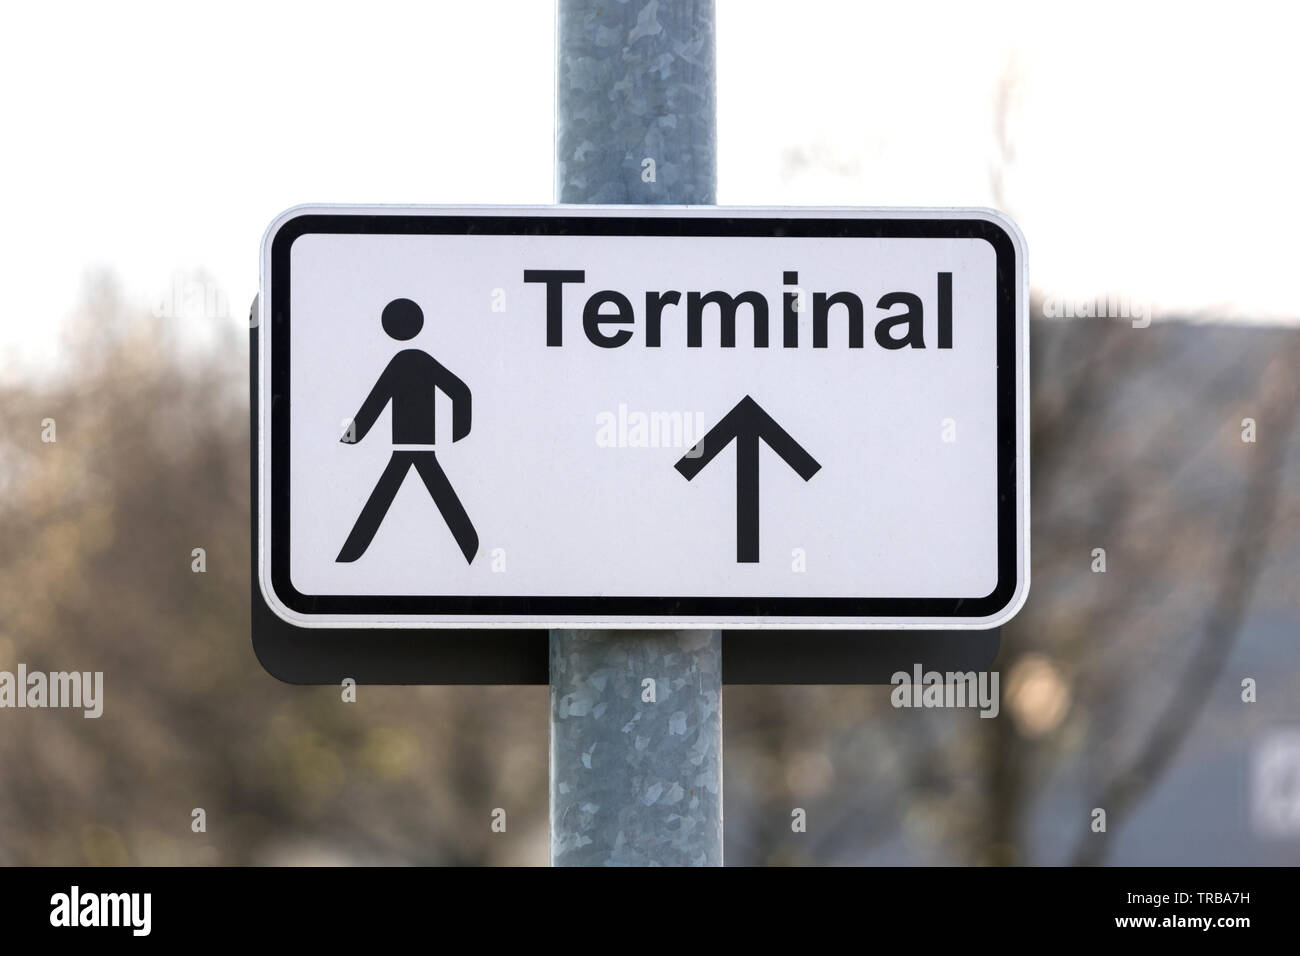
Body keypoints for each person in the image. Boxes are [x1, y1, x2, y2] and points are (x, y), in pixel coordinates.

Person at [336, 298, 478, 564]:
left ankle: (349, 554)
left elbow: (375, 401)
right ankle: (471, 548)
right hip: (415, 444)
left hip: (410, 444)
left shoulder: (405, 361)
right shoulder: (418, 361)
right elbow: (460, 392)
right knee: (417, 494)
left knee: (388, 496)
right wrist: (458, 431)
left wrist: (352, 436)